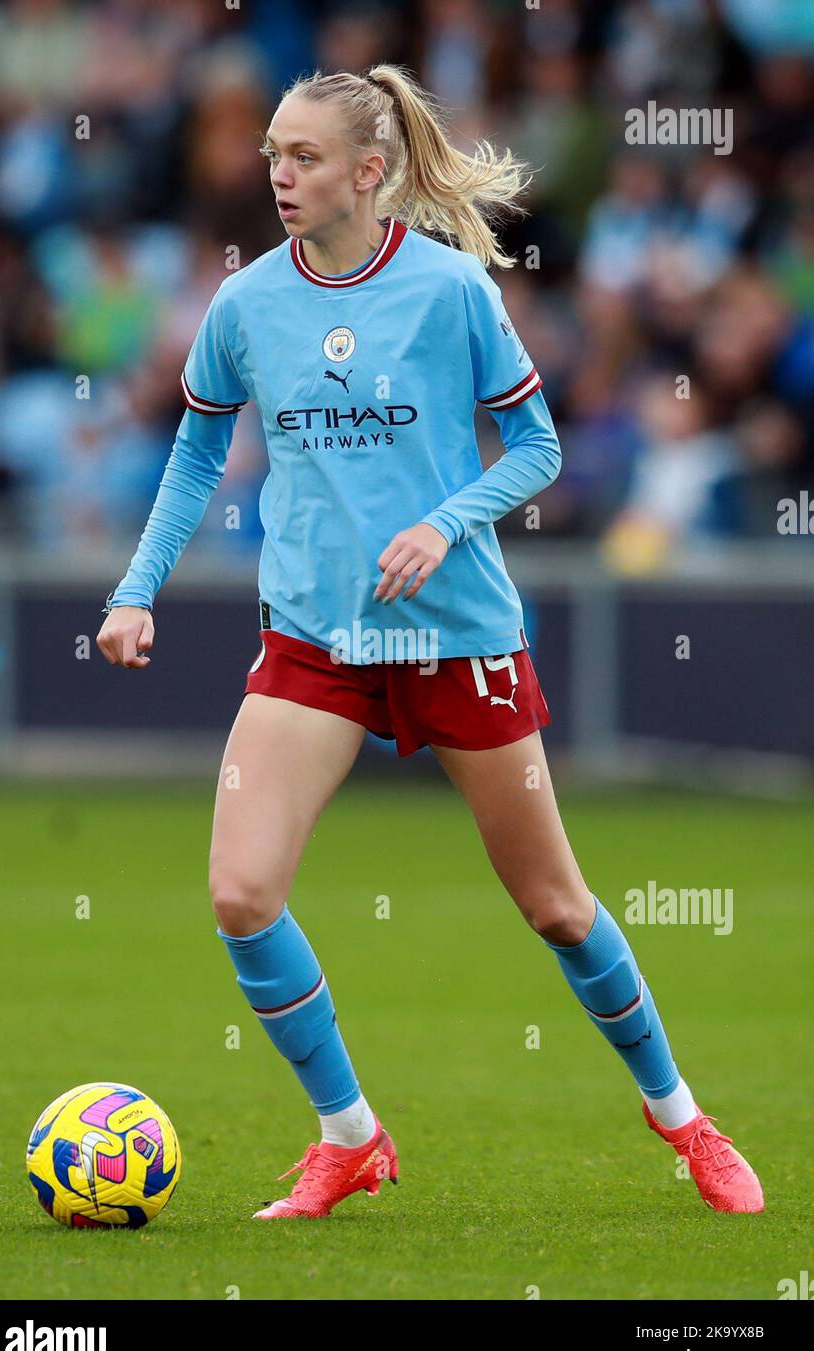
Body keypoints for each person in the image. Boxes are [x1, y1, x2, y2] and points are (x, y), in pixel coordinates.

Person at [97, 65, 763, 1220]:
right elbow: (198, 455)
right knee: (241, 892)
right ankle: (348, 1135)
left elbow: (537, 448)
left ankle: (683, 1119)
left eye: (302, 157)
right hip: (314, 634)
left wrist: (441, 524)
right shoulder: (245, 304)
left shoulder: (452, 288)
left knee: (556, 906)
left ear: (369, 171)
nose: (278, 175)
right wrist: (136, 587)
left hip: (457, 635)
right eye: (270, 154)